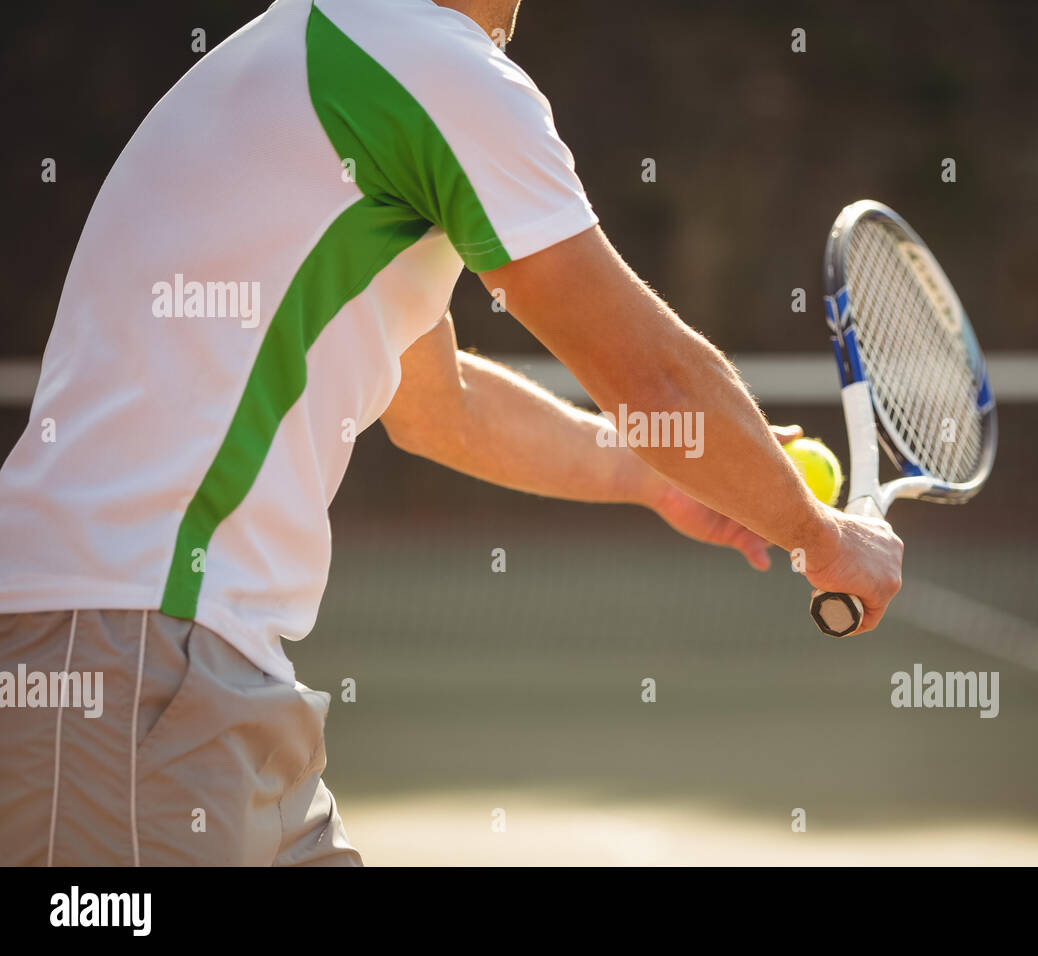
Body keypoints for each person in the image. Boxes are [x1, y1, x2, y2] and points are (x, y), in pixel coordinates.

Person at [0, 0, 902, 865]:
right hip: (129, 653)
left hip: (168, 656)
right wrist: (819, 536)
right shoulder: (431, 66)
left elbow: (440, 405)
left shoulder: (309, 59)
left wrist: (655, 476)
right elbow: (655, 376)